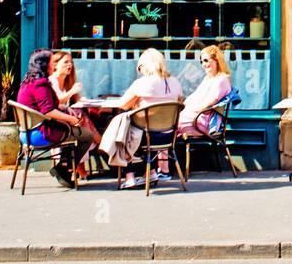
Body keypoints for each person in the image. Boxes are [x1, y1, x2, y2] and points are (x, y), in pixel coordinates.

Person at [101, 49, 184, 190]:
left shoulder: (142, 83)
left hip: (144, 137)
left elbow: (123, 104)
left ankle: (130, 177)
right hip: (169, 135)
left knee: (125, 130)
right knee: (139, 128)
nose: (139, 71)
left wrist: (137, 104)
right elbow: (180, 101)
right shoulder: (175, 82)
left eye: (140, 67)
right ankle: (150, 173)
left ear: (146, 66)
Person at [16, 48, 98, 188]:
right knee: (87, 135)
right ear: (44, 64)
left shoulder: (29, 81)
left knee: (79, 132)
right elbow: (48, 111)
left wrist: (66, 109)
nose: (53, 65)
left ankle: (64, 168)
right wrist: (71, 119)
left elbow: (52, 105)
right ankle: (64, 169)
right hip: (39, 133)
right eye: (52, 62)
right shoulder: (40, 84)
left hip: (27, 133)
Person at [179, 45, 233, 137]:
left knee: (170, 123)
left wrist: (189, 109)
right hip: (196, 117)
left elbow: (208, 104)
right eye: (201, 62)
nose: (203, 64)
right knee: (169, 121)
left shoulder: (221, 80)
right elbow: (194, 97)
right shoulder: (208, 78)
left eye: (206, 60)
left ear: (217, 60)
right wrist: (181, 105)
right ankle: (164, 150)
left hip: (204, 122)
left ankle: (162, 150)